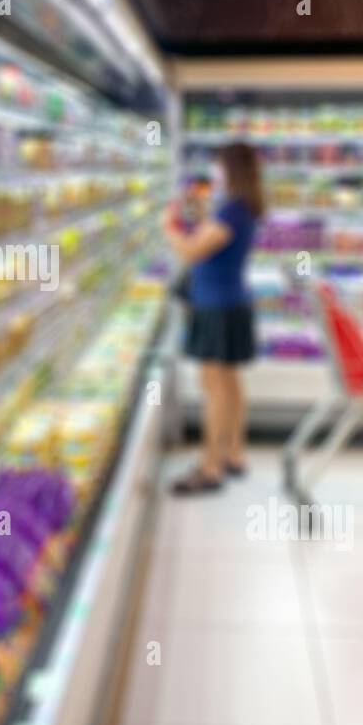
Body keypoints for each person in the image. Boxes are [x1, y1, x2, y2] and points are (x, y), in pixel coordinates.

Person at [162, 142, 263, 495]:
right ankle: (234, 453)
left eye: (219, 167)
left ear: (231, 170)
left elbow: (191, 250)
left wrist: (169, 228)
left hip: (217, 306)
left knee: (214, 388)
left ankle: (210, 467)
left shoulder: (234, 211)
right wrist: (196, 216)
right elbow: (207, 238)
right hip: (227, 302)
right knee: (229, 382)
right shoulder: (238, 208)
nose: (215, 173)